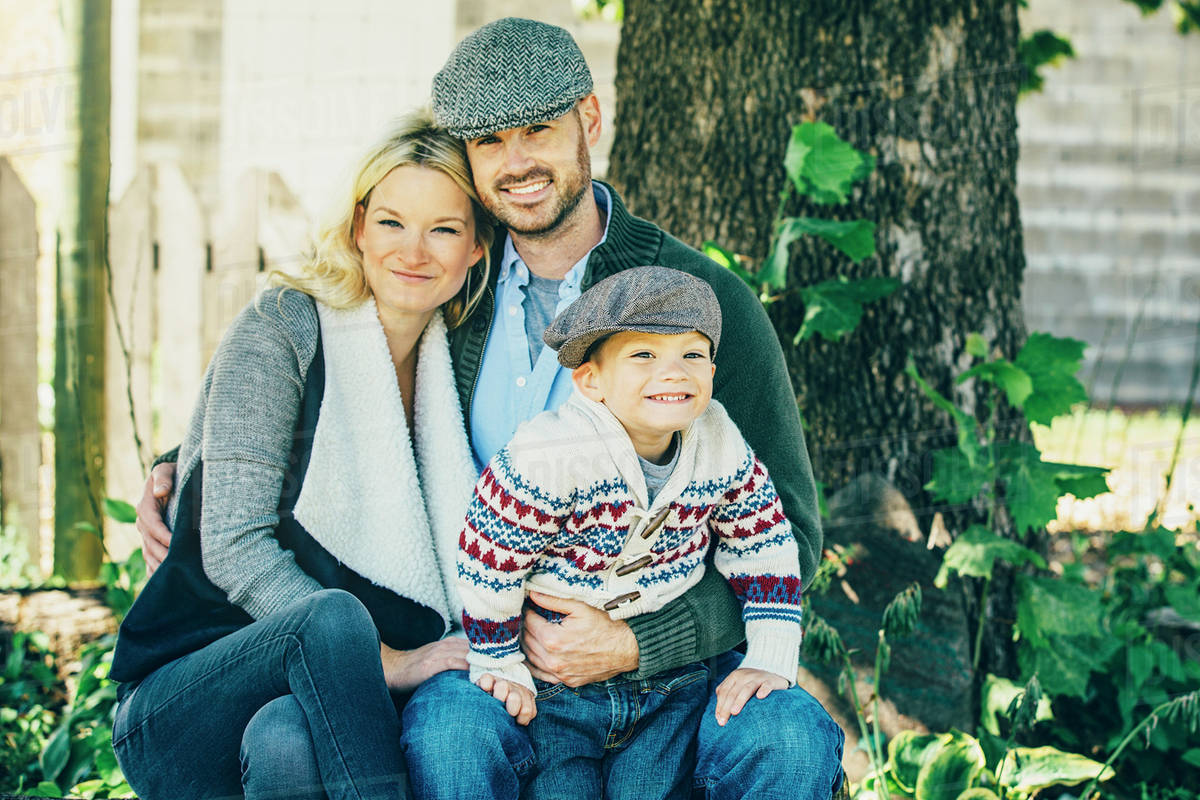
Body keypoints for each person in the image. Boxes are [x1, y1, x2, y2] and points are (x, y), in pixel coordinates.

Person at [136, 17, 845, 800]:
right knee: (443, 733)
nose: (517, 164)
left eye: (538, 130)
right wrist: (184, 464)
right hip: (492, 666)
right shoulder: (452, 289)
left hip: (666, 668)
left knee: (788, 737)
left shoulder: (695, 303)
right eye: (488, 142)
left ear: (590, 121)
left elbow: (794, 537)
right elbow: (338, 386)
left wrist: (634, 643)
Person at [109, 109, 494, 800]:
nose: (414, 250)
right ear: (356, 229)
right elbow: (230, 542)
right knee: (332, 619)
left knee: (287, 740)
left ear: (476, 248)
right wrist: (392, 661)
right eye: (391, 222)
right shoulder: (284, 324)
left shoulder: (462, 361)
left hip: (304, 709)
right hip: (187, 690)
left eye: (444, 228)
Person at [457, 266, 806, 800]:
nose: (674, 373)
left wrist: (769, 652)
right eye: (643, 356)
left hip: (672, 684)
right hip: (557, 690)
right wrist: (498, 658)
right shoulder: (547, 454)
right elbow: (489, 558)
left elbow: (763, 544)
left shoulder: (718, 438)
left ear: (713, 368)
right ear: (590, 379)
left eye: (692, 355)